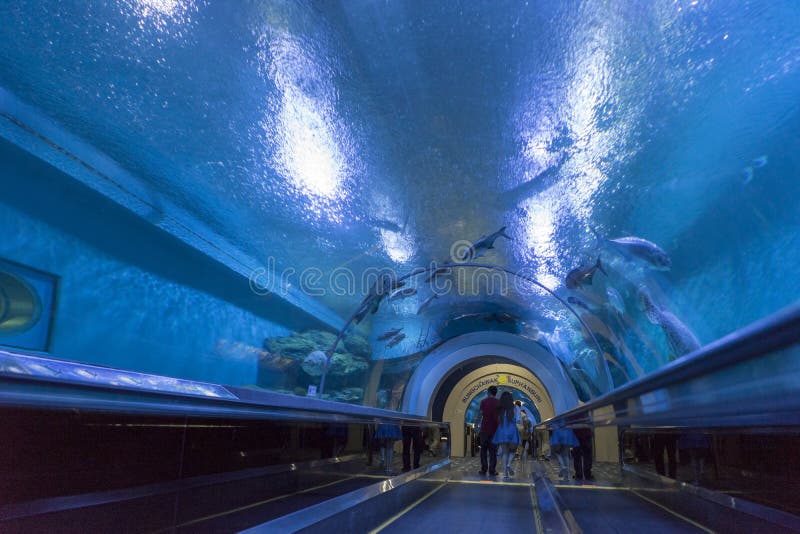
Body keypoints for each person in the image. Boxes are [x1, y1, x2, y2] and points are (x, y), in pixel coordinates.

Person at [492, 391, 521, 480]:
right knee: (513, 450)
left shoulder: (499, 409)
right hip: (512, 430)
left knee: (504, 453)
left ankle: (505, 474)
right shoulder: (515, 407)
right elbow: (518, 420)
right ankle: (509, 464)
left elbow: (497, 420)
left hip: (501, 431)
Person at [476, 386, 500, 476]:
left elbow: (480, 414)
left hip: (484, 429)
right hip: (495, 430)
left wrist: (476, 426)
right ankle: (492, 470)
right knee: (493, 451)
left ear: (489, 392)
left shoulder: (484, 401)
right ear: (495, 393)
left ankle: (483, 469)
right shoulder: (499, 403)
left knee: (483, 450)